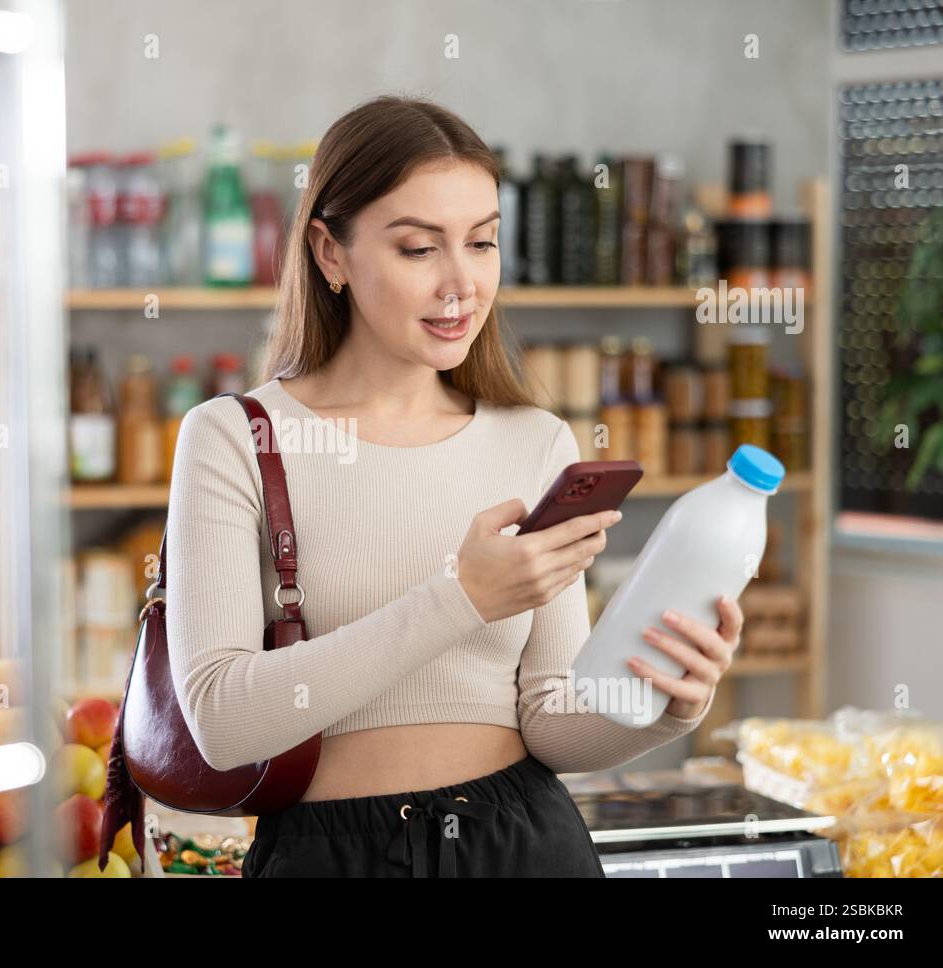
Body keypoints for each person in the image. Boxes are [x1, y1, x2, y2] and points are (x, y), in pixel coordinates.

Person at [166, 95, 742, 877]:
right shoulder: (233, 438)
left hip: (526, 842)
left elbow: (549, 723)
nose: (462, 284)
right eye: (418, 249)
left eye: (483, 243)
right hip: (329, 858)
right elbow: (222, 721)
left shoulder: (534, 441)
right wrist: (461, 597)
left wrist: (668, 706)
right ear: (330, 253)